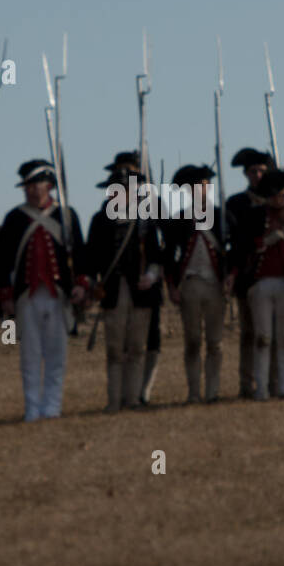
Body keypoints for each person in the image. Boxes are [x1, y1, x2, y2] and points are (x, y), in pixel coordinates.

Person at [0, 159, 89, 422]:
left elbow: (80, 254)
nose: (31, 190)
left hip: (58, 294)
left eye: (36, 184)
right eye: (27, 185)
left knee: (56, 353)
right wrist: (5, 295)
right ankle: (32, 408)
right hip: (26, 297)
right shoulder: (14, 219)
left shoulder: (66, 215)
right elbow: (3, 261)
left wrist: (81, 285)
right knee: (30, 355)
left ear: (49, 185)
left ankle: (52, 406)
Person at [226, 168, 284, 401]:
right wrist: (264, 242)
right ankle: (260, 388)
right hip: (260, 284)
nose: (277, 199)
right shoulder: (253, 217)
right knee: (262, 338)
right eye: (273, 195)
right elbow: (241, 250)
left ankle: (283, 387)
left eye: (281, 194)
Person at [87, 164, 163, 413]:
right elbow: (93, 258)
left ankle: (132, 399)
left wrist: (151, 276)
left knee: (137, 348)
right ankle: (114, 400)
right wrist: (91, 283)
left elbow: (156, 256)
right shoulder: (99, 221)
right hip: (113, 292)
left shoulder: (145, 219)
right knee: (114, 350)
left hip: (141, 292)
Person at [164, 164, 225, 404]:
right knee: (192, 341)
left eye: (204, 185)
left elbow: (234, 249)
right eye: (196, 186)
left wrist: (230, 276)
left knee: (215, 342)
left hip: (215, 285)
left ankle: (212, 392)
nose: (201, 189)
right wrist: (171, 286)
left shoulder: (220, 216)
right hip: (189, 285)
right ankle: (193, 392)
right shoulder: (179, 220)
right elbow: (169, 255)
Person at [224, 147, 276, 398]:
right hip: (247, 276)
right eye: (252, 171)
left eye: (261, 171)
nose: (257, 175)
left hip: (276, 274)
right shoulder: (235, 203)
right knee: (249, 334)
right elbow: (233, 243)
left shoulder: (278, 201)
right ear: (246, 174)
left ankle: (275, 382)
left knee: (274, 335)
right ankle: (247, 384)